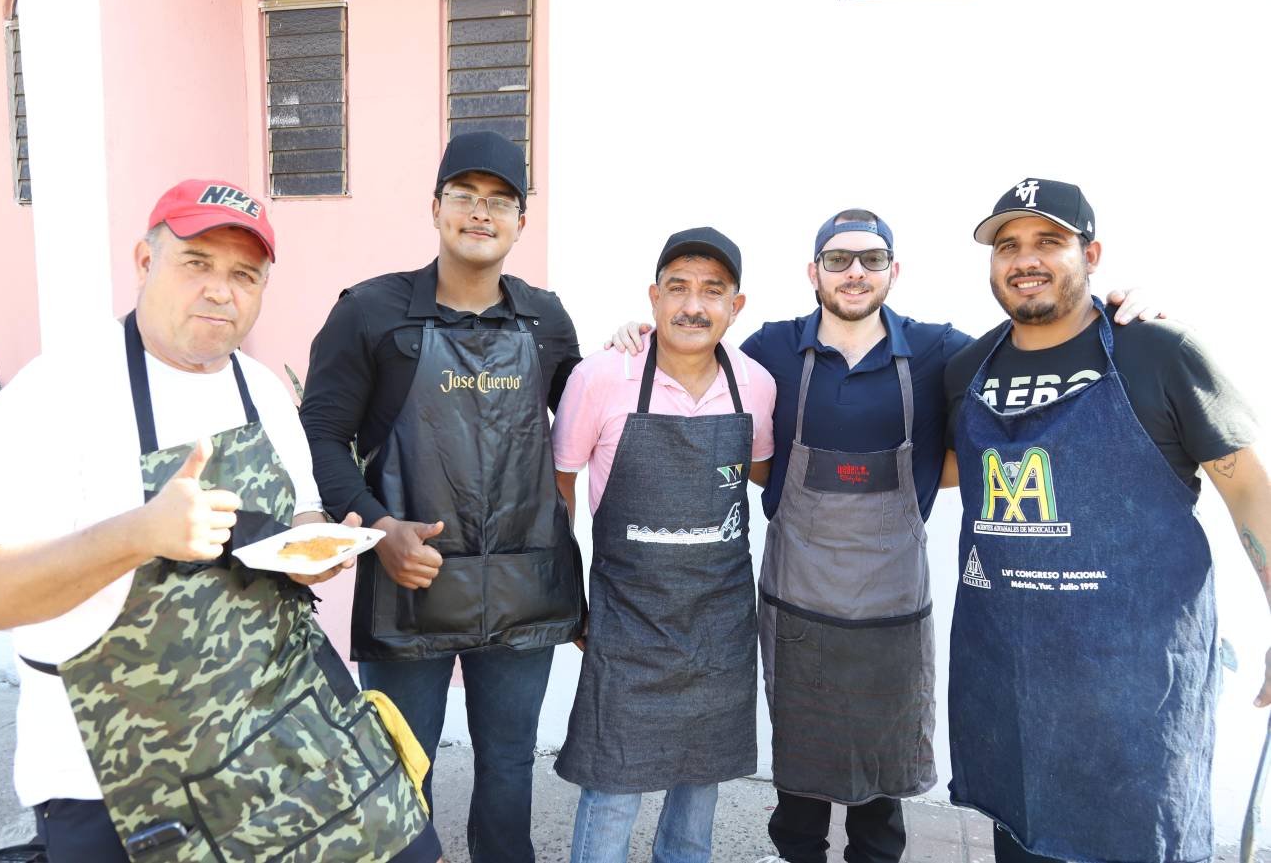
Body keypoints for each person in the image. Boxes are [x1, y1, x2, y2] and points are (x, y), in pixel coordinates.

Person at [610, 211, 1161, 863]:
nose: (854, 272)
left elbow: (1034, 344)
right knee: (800, 778)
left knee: (880, 787)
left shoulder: (938, 352)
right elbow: (695, 368)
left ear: (892, 271)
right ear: (812, 272)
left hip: (891, 612)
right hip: (797, 606)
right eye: (837, 259)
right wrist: (639, 337)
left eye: (870, 259)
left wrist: (1113, 315)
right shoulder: (769, 350)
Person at [0, 179, 439, 862]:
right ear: (145, 263)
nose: (220, 290)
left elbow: (299, 508)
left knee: (409, 840)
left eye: (244, 273)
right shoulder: (54, 397)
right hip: (119, 779)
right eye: (197, 263)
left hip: (282, 724)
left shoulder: (260, 388)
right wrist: (138, 533)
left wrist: (315, 543)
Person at [943, 177, 1271, 863]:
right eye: (1007, 244)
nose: (1023, 258)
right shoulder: (966, 369)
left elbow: (1249, 497)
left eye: (1048, 241)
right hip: (1012, 697)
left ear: (1091, 253)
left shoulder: (1158, 353)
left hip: (1135, 704)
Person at [299, 131, 584, 863]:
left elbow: (588, 424)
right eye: (465, 196)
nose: (481, 213)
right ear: (435, 208)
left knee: (509, 764)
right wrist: (374, 527)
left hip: (524, 582)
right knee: (398, 767)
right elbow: (322, 437)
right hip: (410, 581)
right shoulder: (368, 311)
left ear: (521, 219)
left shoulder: (546, 321)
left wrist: (633, 348)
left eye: (500, 200)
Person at [552, 227, 776, 862]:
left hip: (721, 619)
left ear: (737, 306)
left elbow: (760, 473)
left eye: (712, 290)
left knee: (699, 785)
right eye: (677, 288)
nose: (692, 306)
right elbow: (557, 493)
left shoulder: (756, 385)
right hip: (629, 620)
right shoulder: (601, 375)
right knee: (613, 783)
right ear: (653, 299)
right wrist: (569, 598)